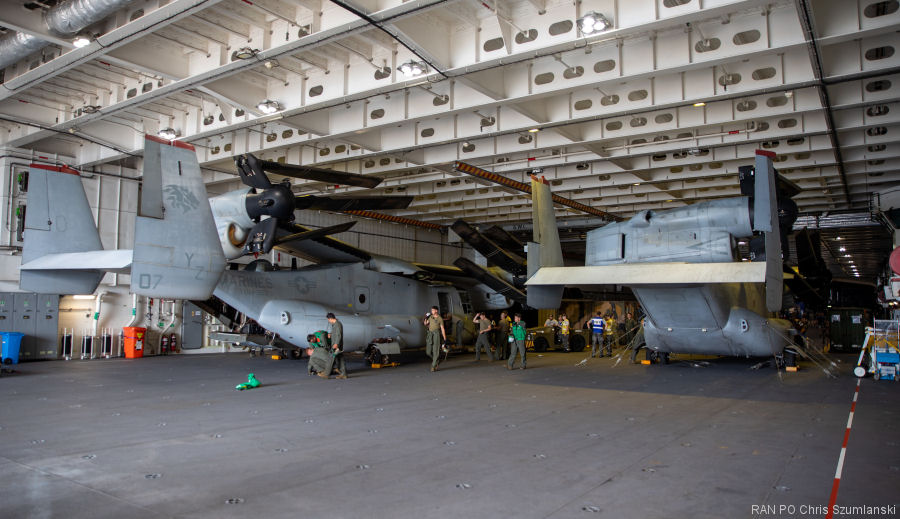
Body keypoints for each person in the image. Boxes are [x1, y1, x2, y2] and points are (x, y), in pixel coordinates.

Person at [423, 306, 446, 372]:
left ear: (436, 311)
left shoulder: (440, 319)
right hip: (430, 334)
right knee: (428, 352)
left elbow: (442, 329)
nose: (431, 311)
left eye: (433, 310)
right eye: (431, 310)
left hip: (436, 335)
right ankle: (436, 360)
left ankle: (433, 366)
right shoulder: (430, 317)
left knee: (436, 351)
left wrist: (445, 339)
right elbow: (425, 323)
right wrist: (426, 317)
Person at [326, 313, 348, 379]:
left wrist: (336, 344)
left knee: (340, 358)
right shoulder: (335, 324)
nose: (328, 321)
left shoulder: (337, 324)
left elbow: (338, 335)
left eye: (328, 319)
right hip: (336, 344)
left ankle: (343, 374)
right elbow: (335, 333)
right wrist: (331, 334)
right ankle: (342, 373)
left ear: (330, 318)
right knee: (338, 359)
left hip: (337, 345)